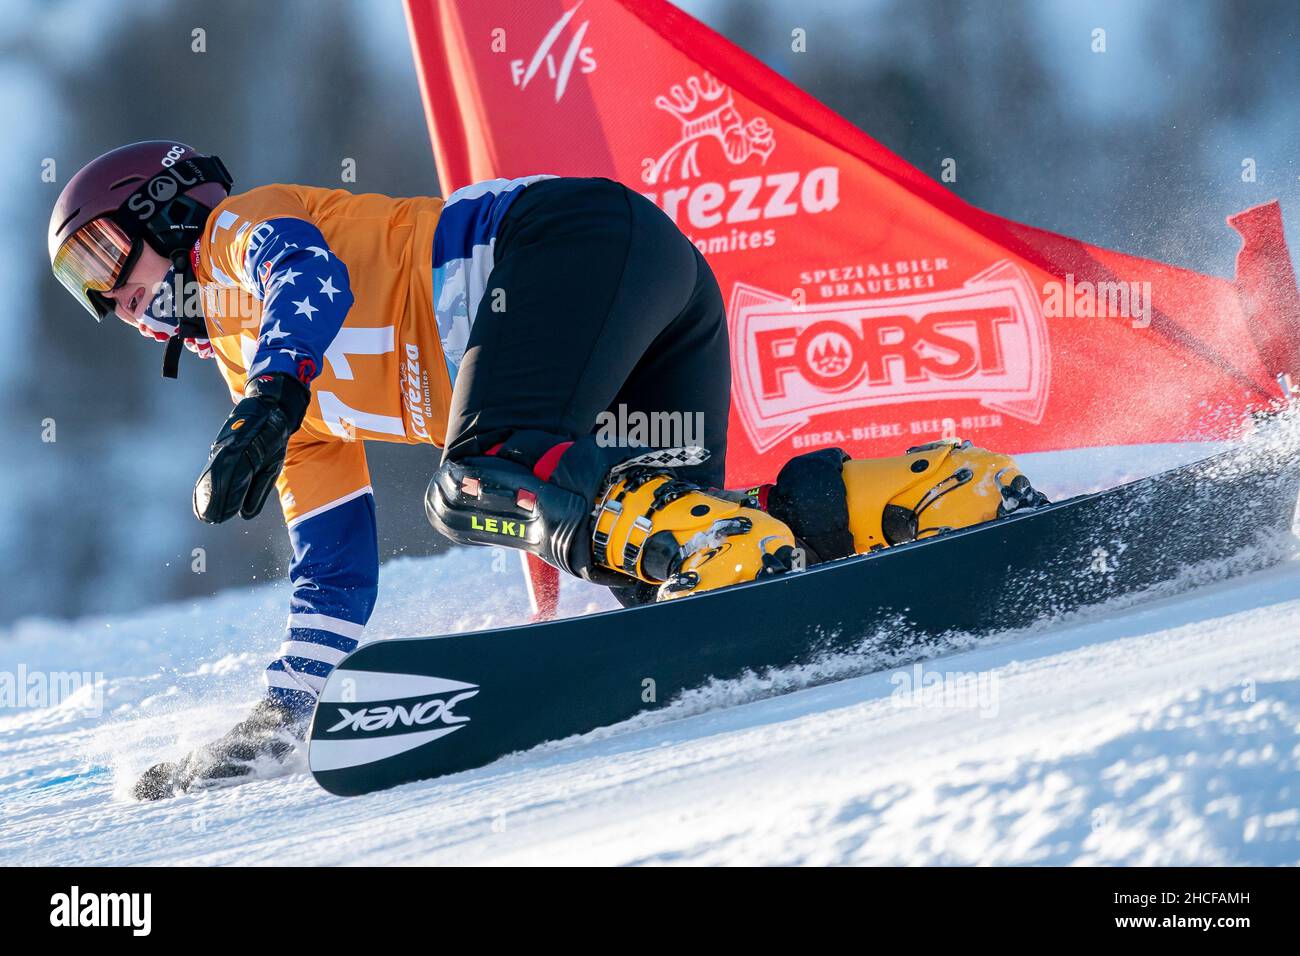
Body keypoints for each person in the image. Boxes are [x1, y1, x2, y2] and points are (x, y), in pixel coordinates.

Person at [49, 141, 1046, 798]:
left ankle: (738, 538)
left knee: (476, 483)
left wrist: (271, 395)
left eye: (105, 256)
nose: (114, 299)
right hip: (645, 281)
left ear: (171, 210)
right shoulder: (269, 387)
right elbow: (335, 565)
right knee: (651, 540)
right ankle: (924, 494)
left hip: (560, 248)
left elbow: (304, 278)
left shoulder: (234, 241)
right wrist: (288, 710)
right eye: (84, 288)